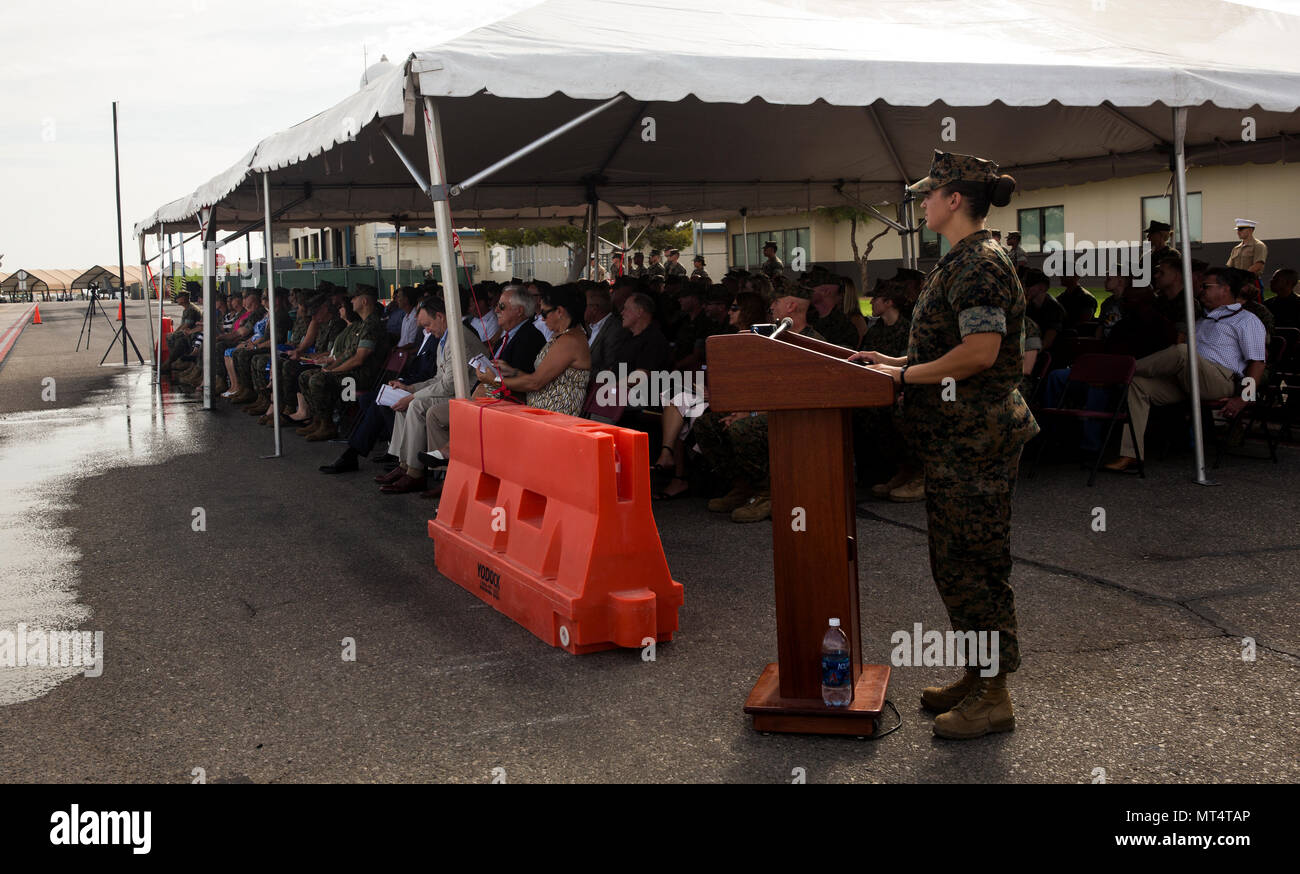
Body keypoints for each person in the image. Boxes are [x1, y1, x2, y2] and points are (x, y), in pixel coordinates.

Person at [850, 150, 1037, 739]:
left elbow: (981, 353)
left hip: (976, 440)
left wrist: (903, 377)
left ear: (955, 199)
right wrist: (895, 360)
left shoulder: (979, 262)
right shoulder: (961, 260)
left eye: (930, 194)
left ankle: (993, 694)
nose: (924, 203)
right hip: (958, 440)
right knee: (955, 563)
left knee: (975, 565)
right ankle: (979, 677)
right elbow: (950, 349)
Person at [1104, 267, 1267, 473]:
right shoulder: (1202, 320)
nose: (1201, 290)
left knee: (1182, 352)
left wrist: (1243, 398)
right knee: (1137, 385)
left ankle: (1117, 371)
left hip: (1219, 380)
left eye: (1206, 286)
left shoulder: (1247, 321)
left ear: (1225, 289)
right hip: (1187, 377)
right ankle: (1131, 454)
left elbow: (1257, 362)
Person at [376, 296, 490, 495]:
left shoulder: (458, 339)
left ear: (440, 316)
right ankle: (404, 464)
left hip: (470, 395)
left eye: (427, 325)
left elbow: (448, 385)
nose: (426, 331)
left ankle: (414, 473)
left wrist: (413, 397)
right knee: (405, 402)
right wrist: (410, 389)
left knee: (416, 405)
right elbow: (439, 378)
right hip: (455, 391)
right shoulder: (445, 338)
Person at [478, 284, 591, 416]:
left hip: (553, 417)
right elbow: (538, 378)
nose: (542, 318)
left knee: (486, 390)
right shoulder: (563, 337)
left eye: (544, 313)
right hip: (538, 410)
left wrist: (495, 380)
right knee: (485, 390)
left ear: (559, 312)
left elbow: (535, 382)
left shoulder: (570, 340)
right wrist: (512, 371)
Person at [858, 278, 921, 501]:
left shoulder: (908, 329)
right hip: (877, 389)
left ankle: (919, 472)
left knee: (896, 413)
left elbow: (916, 363)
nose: (872, 301)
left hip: (906, 389)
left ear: (889, 302)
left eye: (876, 298)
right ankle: (903, 469)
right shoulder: (876, 331)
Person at [585, 285, 629, 374]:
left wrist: (578, 373)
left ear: (594, 309)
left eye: (583, 305)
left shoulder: (615, 330)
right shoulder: (589, 327)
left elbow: (610, 369)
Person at [1022, 269, 1064, 351]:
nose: (1024, 289)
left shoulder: (1054, 309)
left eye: (1028, 285)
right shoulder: (1029, 306)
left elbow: (1047, 342)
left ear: (1042, 287)